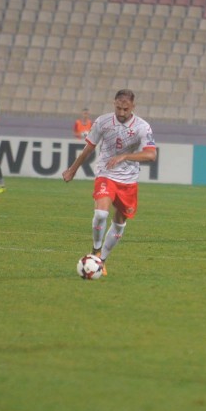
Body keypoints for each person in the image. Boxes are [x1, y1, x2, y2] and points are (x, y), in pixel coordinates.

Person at [62, 89, 157, 276]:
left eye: (125, 109)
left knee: (120, 223)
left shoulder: (142, 127)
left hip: (129, 180)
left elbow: (151, 155)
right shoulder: (103, 122)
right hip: (106, 174)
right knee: (100, 214)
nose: (121, 113)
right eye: (118, 108)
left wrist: (125, 156)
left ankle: (102, 260)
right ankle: (96, 250)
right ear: (114, 103)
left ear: (133, 107)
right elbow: (88, 149)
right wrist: (72, 169)